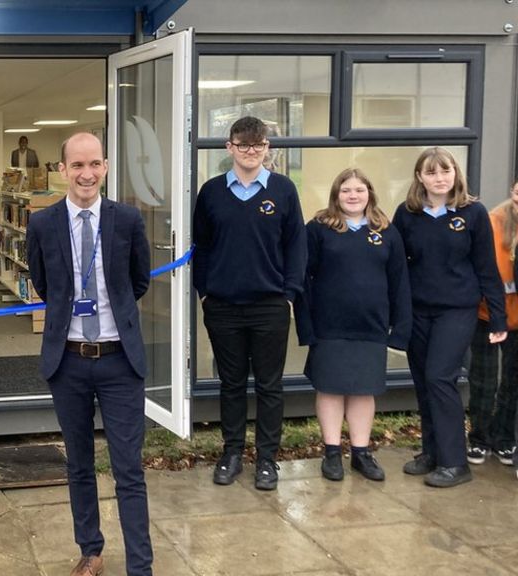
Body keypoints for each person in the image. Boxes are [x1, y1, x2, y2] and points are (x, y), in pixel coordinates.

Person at [26, 132, 152, 576]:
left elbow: (139, 281)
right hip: (69, 361)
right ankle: (91, 550)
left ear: (105, 167)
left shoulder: (129, 220)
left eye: (94, 164)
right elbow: (43, 284)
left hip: (120, 361)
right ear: (61, 170)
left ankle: (141, 564)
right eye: (77, 165)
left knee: (128, 468)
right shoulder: (42, 224)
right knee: (79, 463)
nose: (86, 174)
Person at [192, 116, 307, 491]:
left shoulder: (284, 190)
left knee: (270, 386)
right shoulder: (211, 192)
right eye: (243, 145)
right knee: (231, 383)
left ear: (267, 148)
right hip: (222, 306)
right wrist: (204, 292)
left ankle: (268, 460)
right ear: (230, 148)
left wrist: (288, 293)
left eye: (258, 145)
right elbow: (202, 247)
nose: (251, 151)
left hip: (270, 305)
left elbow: (296, 246)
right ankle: (231, 454)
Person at [393, 147, 507, 488]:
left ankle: (456, 462)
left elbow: (487, 268)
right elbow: (397, 266)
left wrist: (498, 318)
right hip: (417, 311)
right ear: (419, 178)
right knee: (424, 382)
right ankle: (431, 453)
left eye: (445, 171)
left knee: (440, 378)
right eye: (431, 172)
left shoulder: (472, 213)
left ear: (455, 174)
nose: (439, 178)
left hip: (456, 310)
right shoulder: (407, 214)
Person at [296, 168, 411, 482]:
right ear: (336, 195)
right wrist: (306, 327)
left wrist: (400, 329)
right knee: (330, 389)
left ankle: (361, 453)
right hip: (329, 326)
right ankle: (332, 452)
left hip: (371, 327)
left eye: (359, 190)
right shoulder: (319, 229)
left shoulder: (386, 231)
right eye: (346, 190)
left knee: (363, 391)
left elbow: (399, 282)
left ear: (370, 194)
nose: (353, 195)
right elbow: (302, 280)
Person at [465, 179, 518, 467]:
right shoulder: (493, 221)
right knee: (484, 379)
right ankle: (479, 438)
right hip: (487, 315)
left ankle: (505, 439)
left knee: (512, 381)